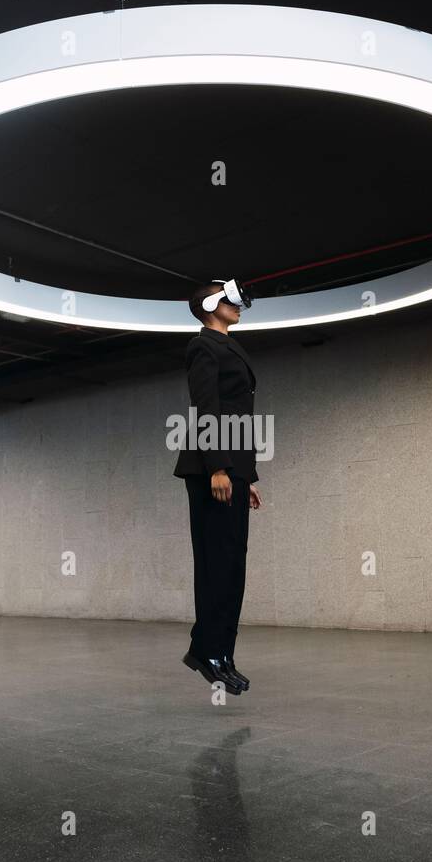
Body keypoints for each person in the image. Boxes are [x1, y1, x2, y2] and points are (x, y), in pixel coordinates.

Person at [173, 279, 262, 695]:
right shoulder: (202, 346)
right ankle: (207, 651)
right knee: (216, 562)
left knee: (234, 564)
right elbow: (206, 408)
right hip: (212, 466)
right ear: (211, 305)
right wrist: (219, 469)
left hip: (234, 466)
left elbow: (240, 414)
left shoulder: (231, 346)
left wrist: (247, 477)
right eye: (230, 301)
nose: (238, 306)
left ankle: (221, 653)